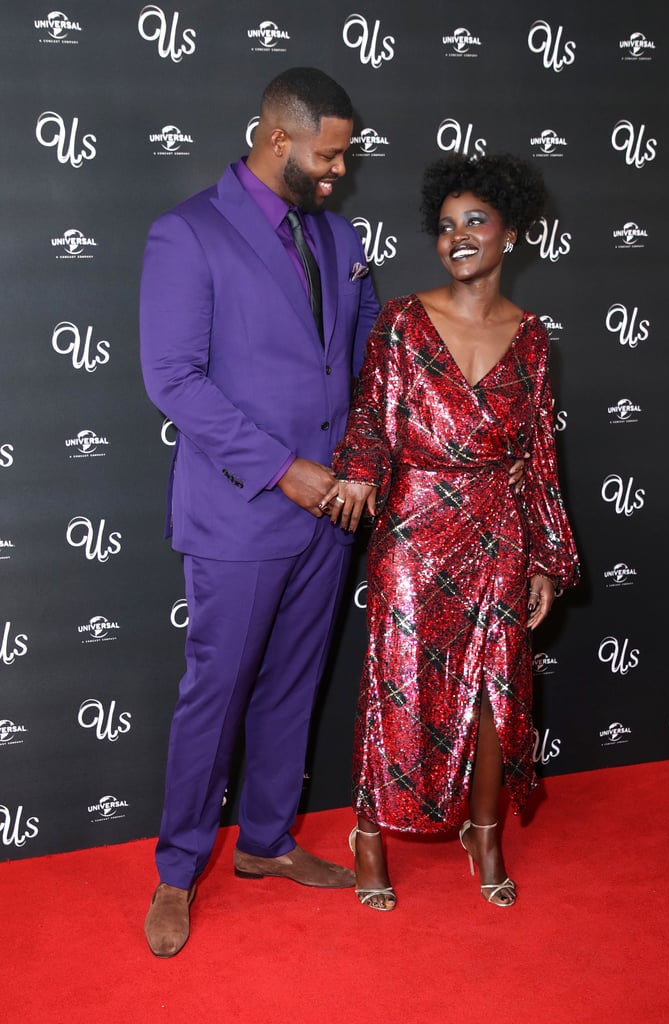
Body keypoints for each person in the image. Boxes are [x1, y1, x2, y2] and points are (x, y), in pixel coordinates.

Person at [138, 67, 381, 958]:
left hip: (330, 516)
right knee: (219, 693)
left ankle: (269, 844)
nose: (339, 172)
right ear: (280, 138)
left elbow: (359, 357)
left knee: (292, 686)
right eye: (329, 155)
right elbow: (173, 380)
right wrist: (286, 471)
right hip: (244, 511)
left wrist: (352, 468)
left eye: (344, 157)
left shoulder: (339, 232)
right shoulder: (188, 234)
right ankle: (177, 869)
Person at [322, 153, 580, 910]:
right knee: (397, 681)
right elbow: (371, 415)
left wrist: (543, 555)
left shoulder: (531, 338)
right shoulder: (402, 319)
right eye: (446, 226)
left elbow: (537, 455)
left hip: (498, 527)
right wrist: (361, 471)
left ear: (511, 232)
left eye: (476, 222)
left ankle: (485, 830)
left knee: (496, 690)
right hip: (414, 525)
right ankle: (370, 833)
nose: (459, 237)